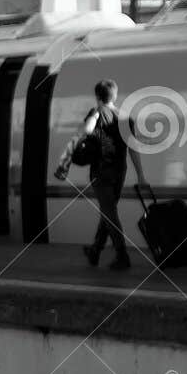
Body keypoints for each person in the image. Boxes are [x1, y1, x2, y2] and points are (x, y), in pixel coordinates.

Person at [54, 78, 130, 270]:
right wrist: (142, 174)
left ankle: (122, 255)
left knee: (109, 213)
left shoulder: (97, 112)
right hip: (120, 170)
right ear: (115, 95)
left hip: (102, 171)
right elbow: (133, 148)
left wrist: (67, 158)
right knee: (108, 210)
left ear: (97, 96)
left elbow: (85, 131)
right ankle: (95, 251)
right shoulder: (125, 116)